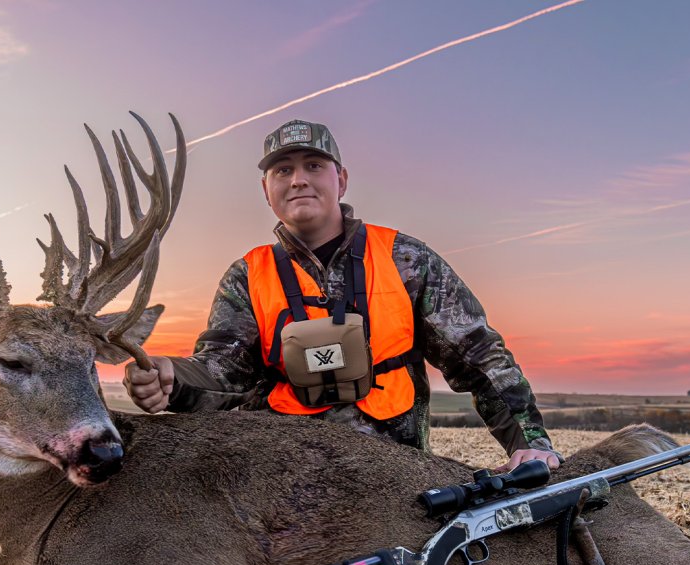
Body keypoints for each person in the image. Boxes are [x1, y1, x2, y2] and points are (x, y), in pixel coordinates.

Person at [123, 119, 560, 472]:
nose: (298, 180)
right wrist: (171, 379)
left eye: (314, 166)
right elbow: (224, 375)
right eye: (282, 170)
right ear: (266, 190)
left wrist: (529, 444)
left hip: (393, 479)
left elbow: (478, 355)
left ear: (342, 179)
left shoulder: (405, 258)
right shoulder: (247, 276)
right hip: (276, 480)